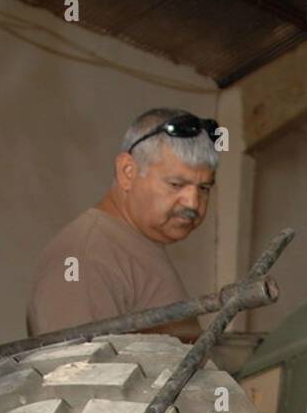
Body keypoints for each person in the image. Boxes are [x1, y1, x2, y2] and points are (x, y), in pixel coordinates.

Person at [27, 108, 218, 342]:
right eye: (176, 184)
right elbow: (74, 371)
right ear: (127, 172)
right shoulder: (85, 256)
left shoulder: (135, 245)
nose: (193, 202)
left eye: (204, 188)